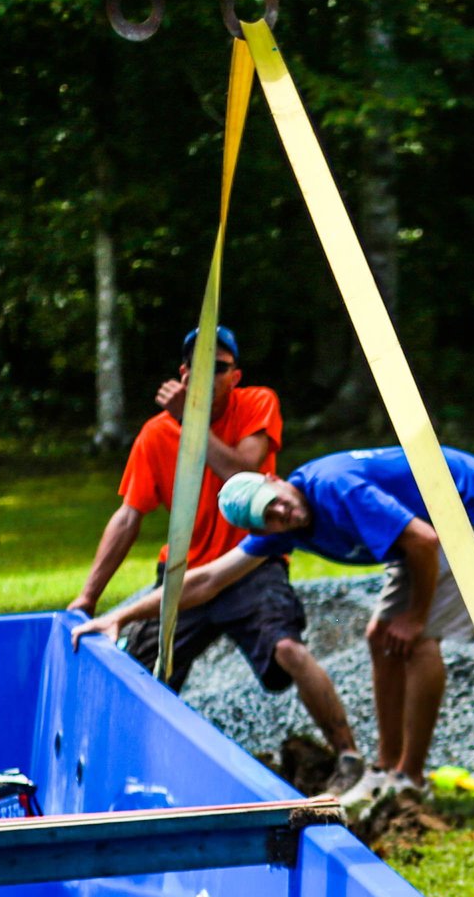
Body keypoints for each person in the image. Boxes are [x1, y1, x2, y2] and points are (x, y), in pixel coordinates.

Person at [80, 445, 474, 812]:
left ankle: (411, 780)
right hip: (425, 529)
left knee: (417, 641)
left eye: (277, 504)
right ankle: (385, 770)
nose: (283, 516)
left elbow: (423, 541)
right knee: (380, 637)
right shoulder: (281, 526)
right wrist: (123, 615)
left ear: (274, 477)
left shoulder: (333, 489)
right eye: (268, 520)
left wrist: (415, 617)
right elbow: (208, 580)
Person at [68, 325, 363, 792]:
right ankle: (123, 772)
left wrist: (191, 423)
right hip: (185, 575)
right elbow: (128, 517)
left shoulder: (257, 404)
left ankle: (348, 758)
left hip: (252, 563)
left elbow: (242, 473)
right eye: (198, 366)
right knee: (137, 673)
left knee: (288, 649)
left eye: (219, 367)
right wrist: (87, 599)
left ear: (235, 375)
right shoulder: (154, 435)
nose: (208, 375)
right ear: (184, 374)